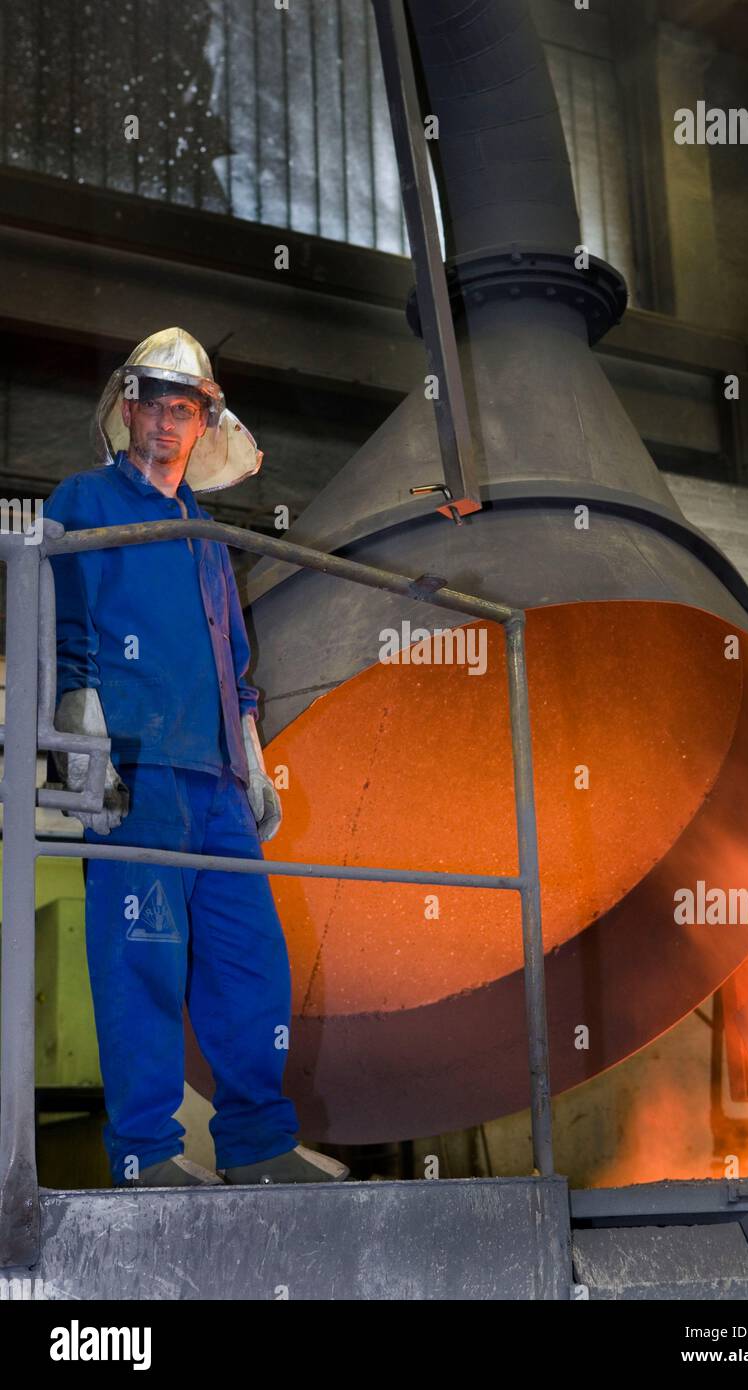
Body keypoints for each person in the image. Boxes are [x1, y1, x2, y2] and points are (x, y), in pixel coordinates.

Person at [44, 327, 349, 1188]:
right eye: (155, 405)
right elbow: (62, 625)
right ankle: (145, 1151)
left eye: (186, 409)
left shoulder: (210, 535)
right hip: (134, 770)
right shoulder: (83, 499)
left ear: (205, 422)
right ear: (127, 410)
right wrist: (79, 736)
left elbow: (234, 664)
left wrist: (250, 755)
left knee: (251, 961)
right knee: (140, 956)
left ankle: (256, 1144)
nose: (168, 423)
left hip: (215, 783)